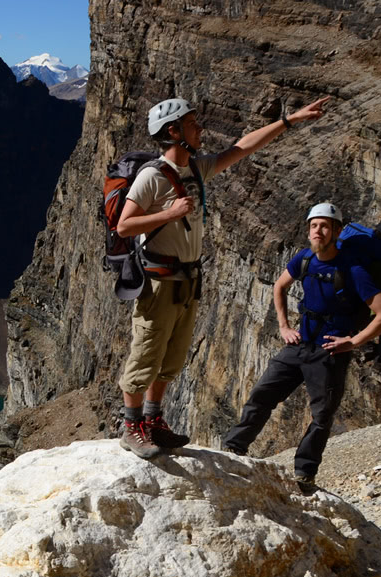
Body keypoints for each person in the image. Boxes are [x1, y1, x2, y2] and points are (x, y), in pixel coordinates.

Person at [116, 94, 331, 459]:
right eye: (193, 124)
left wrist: (289, 121)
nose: (201, 129)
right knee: (146, 353)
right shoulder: (151, 177)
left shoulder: (195, 169)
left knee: (171, 356)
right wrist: (168, 214)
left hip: (187, 282)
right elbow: (124, 225)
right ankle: (132, 426)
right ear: (174, 131)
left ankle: (153, 421)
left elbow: (242, 148)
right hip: (159, 282)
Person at [222, 202, 381, 494]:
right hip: (299, 343)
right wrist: (283, 326)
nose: (319, 230)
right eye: (314, 225)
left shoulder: (353, 270)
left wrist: (353, 342)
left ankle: (304, 473)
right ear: (308, 231)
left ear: (337, 232)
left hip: (329, 352)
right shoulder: (304, 259)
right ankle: (234, 446)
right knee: (261, 395)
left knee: (321, 416)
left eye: (325, 226)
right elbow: (280, 287)